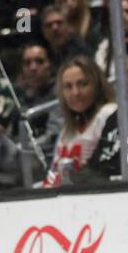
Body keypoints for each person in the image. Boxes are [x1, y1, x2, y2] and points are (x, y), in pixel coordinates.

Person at [41, 54, 119, 187]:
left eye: (82, 84)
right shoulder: (68, 127)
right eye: (68, 87)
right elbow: (53, 176)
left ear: (97, 85)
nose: (75, 93)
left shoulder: (109, 114)